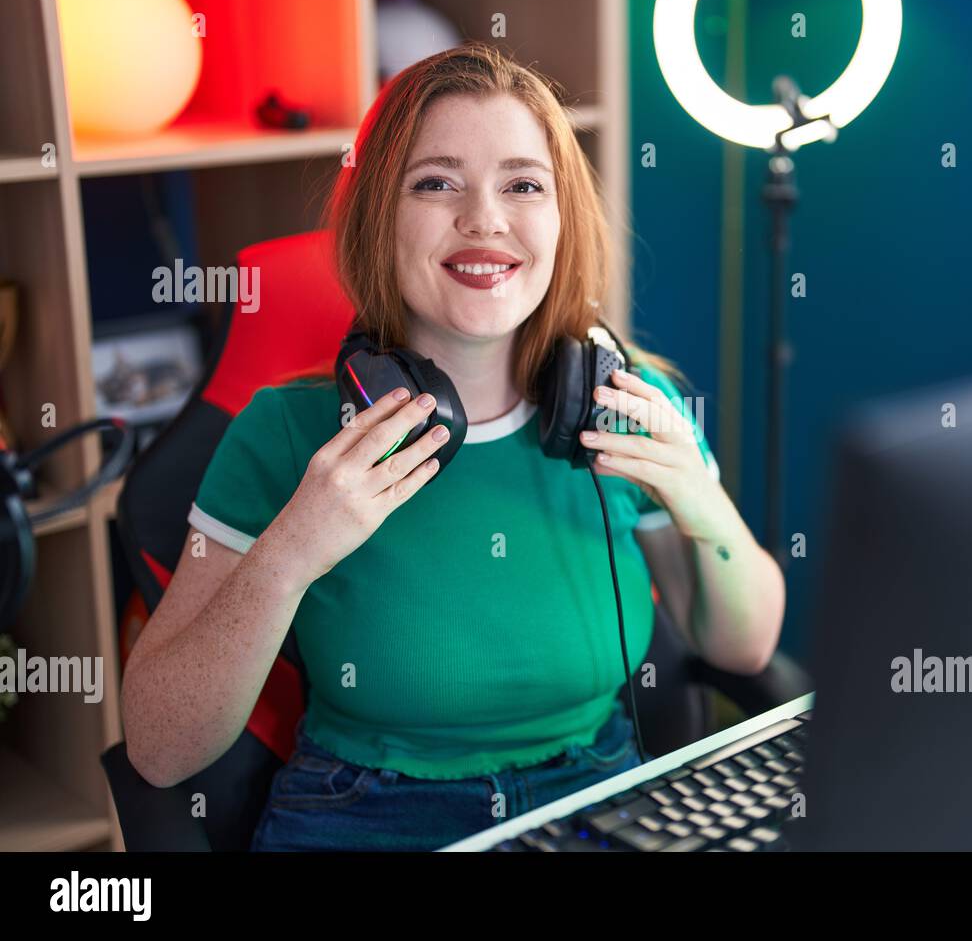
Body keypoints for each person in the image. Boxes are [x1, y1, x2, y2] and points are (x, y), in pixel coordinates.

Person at [120, 42, 785, 851]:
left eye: (523, 185)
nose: (485, 218)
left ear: (561, 216)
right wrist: (292, 549)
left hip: (595, 790)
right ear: (379, 217)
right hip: (363, 811)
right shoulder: (285, 431)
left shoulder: (624, 403)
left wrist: (701, 500)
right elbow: (158, 751)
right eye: (436, 182)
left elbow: (744, 647)